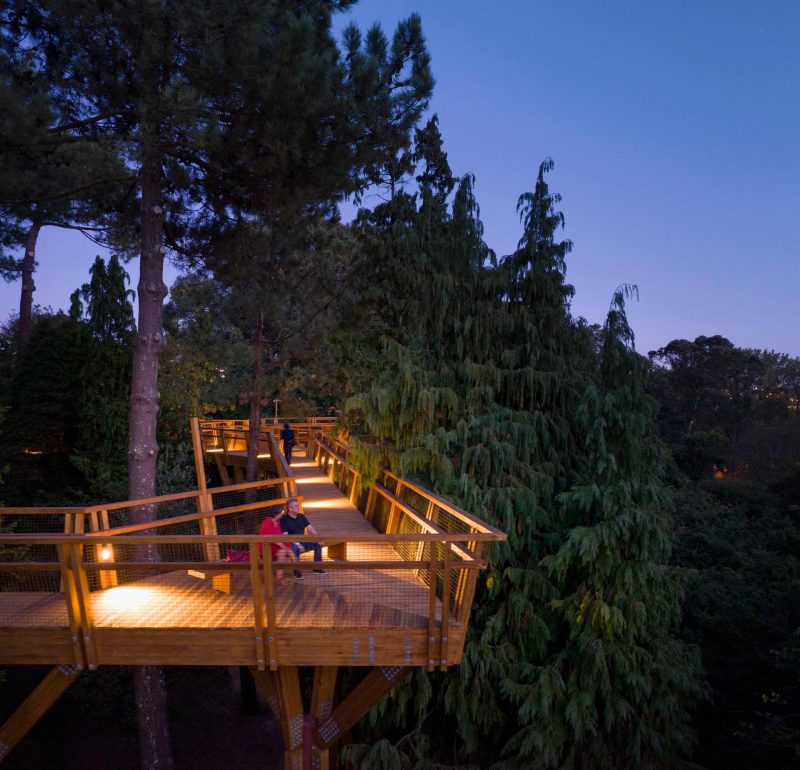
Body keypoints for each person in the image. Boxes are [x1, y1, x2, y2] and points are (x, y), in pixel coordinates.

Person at [280, 497, 326, 579]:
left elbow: (310, 528)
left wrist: (318, 538)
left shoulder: (301, 516)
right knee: (295, 547)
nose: (299, 507)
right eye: (296, 506)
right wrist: (297, 543)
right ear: (290, 508)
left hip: (303, 541)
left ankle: (317, 568)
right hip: (291, 543)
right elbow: (285, 536)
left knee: (317, 543)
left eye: (298, 505)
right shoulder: (284, 519)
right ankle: (296, 572)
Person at [258, 508, 296, 585]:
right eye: (281, 512)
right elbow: (269, 537)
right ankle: (280, 578)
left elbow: (280, 536)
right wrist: (283, 546)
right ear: (276, 514)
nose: (282, 513)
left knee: (286, 549)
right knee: (284, 551)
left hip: (276, 545)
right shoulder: (267, 522)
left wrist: (286, 546)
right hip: (266, 546)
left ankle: (280, 576)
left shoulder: (278, 521)